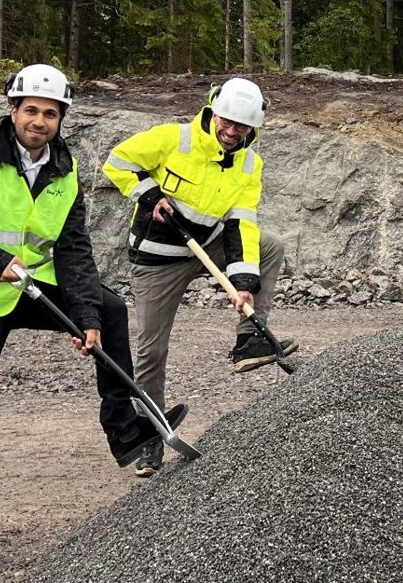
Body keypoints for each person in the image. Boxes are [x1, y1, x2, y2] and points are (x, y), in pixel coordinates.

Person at [0, 64, 187, 569]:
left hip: (25, 287)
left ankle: (125, 431)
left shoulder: (65, 169)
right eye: (31, 110)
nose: (39, 121)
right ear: (13, 109)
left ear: (62, 119)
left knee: (107, 308)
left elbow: (73, 250)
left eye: (51, 113)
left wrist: (85, 317)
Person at [103, 77, 297, 478]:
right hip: (158, 258)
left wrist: (243, 285)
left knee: (270, 245)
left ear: (253, 128)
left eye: (241, 127)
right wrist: (149, 194)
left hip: (206, 246)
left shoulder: (248, 163)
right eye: (227, 121)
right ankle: (151, 434)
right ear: (214, 110)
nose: (230, 132)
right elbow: (117, 161)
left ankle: (249, 340)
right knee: (151, 350)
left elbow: (242, 222)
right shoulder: (174, 139)